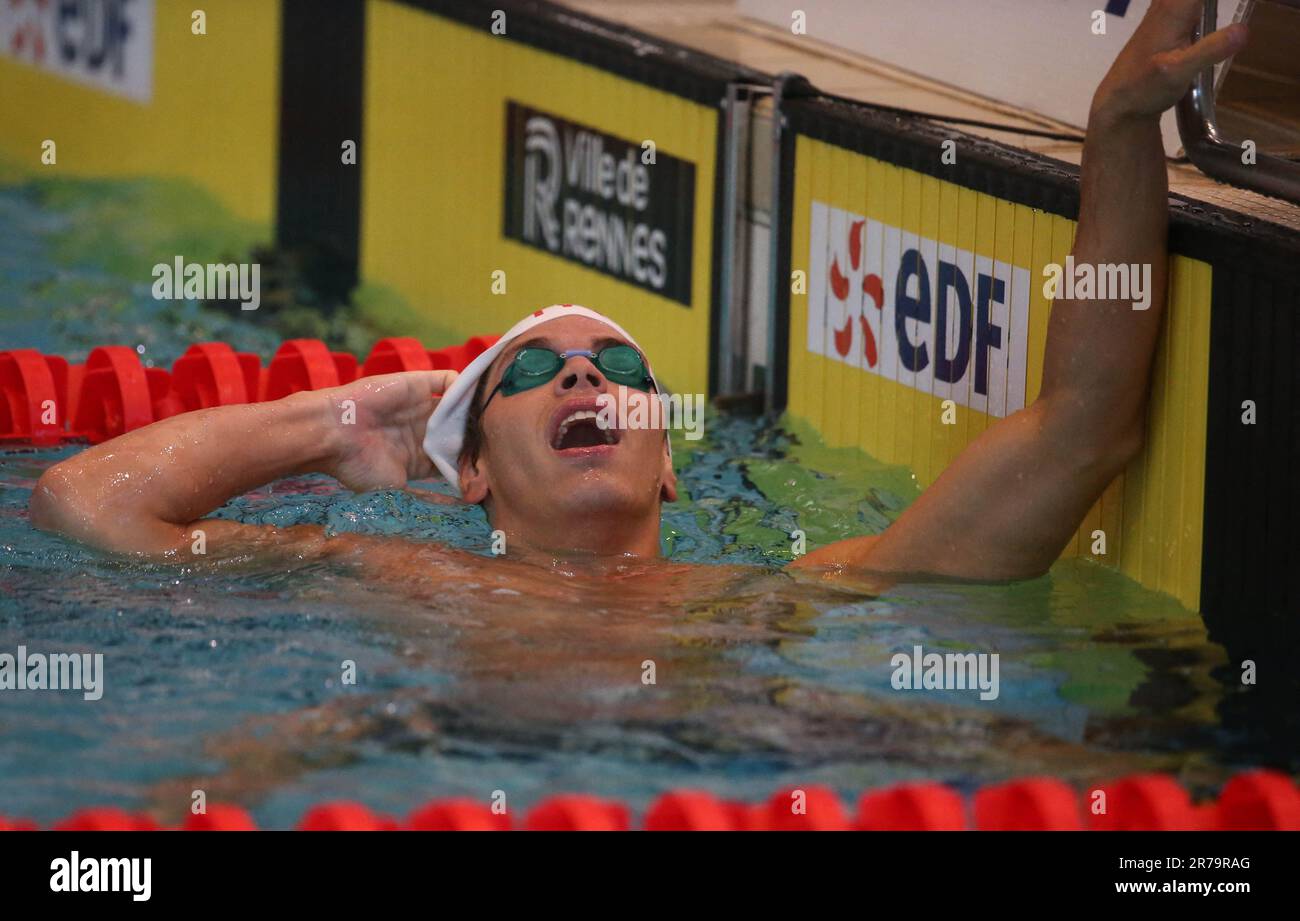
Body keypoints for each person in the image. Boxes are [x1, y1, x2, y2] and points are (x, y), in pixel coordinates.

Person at [29, 0, 1246, 596]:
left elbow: (1085, 424)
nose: (583, 377)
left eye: (619, 372)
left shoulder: (779, 601)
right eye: (533, 370)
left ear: (671, 467)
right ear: (471, 475)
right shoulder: (400, 585)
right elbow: (83, 502)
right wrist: (333, 422)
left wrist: (1118, 130)